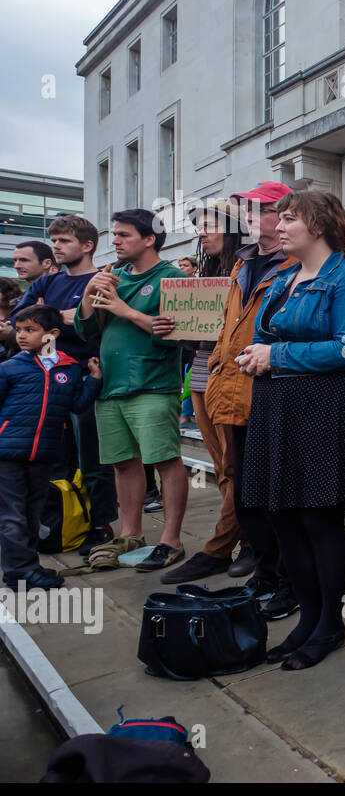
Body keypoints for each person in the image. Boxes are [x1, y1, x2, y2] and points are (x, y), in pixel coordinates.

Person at [235, 190, 345, 670]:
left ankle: (330, 626)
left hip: (326, 407)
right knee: (283, 516)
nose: (278, 227)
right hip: (278, 405)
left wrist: (273, 356)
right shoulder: (283, 280)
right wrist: (252, 356)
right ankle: (308, 620)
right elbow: (263, 335)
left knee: (320, 518)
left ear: (318, 226)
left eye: (289, 219)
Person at [75, 209, 190, 572]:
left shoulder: (171, 276)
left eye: (124, 235)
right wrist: (89, 294)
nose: (115, 241)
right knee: (123, 464)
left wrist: (126, 310)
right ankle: (130, 534)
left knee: (165, 460)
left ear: (149, 239)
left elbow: (180, 336)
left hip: (153, 384)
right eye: (115, 234)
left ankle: (171, 540)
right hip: (111, 386)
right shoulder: (113, 277)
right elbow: (85, 331)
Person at [205, 181, 297, 608]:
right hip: (235, 391)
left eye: (262, 209)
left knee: (278, 497)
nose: (251, 217)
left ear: (285, 215)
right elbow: (230, 321)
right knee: (246, 496)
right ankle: (266, 569)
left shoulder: (298, 263)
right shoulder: (243, 264)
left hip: (274, 394)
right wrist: (218, 358)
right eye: (248, 210)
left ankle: (290, 579)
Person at [10, 216, 118, 546]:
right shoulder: (45, 283)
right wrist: (62, 317)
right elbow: (21, 322)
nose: (55, 246)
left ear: (87, 245)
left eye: (63, 241)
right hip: (49, 382)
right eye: (53, 240)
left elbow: (94, 323)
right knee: (55, 459)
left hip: (89, 375)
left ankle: (100, 525)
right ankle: (60, 522)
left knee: (93, 460)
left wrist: (49, 315)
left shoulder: (100, 278)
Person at [160, 201, 250, 583]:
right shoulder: (208, 270)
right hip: (199, 372)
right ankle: (244, 540)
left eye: (211, 226)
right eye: (200, 227)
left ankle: (224, 547)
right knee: (221, 468)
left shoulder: (245, 268)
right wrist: (172, 324)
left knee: (235, 465)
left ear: (232, 229)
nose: (203, 233)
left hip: (231, 375)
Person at [0, 305, 101, 590]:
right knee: (12, 515)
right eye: (18, 330)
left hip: (44, 454)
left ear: (52, 334)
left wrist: (93, 379)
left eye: (30, 330)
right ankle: (18, 571)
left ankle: (28, 567)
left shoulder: (68, 368)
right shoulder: (9, 368)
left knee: (33, 513)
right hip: (7, 453)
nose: (21, 336)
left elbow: (77, 406)